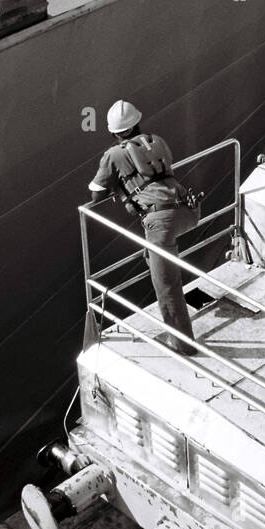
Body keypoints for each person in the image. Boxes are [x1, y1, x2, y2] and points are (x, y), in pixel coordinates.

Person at [89, 101, 199, 356]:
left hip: (161, 221)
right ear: (138, 123)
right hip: (189, 209)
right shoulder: (157, 141)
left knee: (167, 286)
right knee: (153, 256)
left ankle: (183, 346)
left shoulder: (113, 155)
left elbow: (94, 196)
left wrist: (118, 187)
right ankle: (161, 262)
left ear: (114, 133)